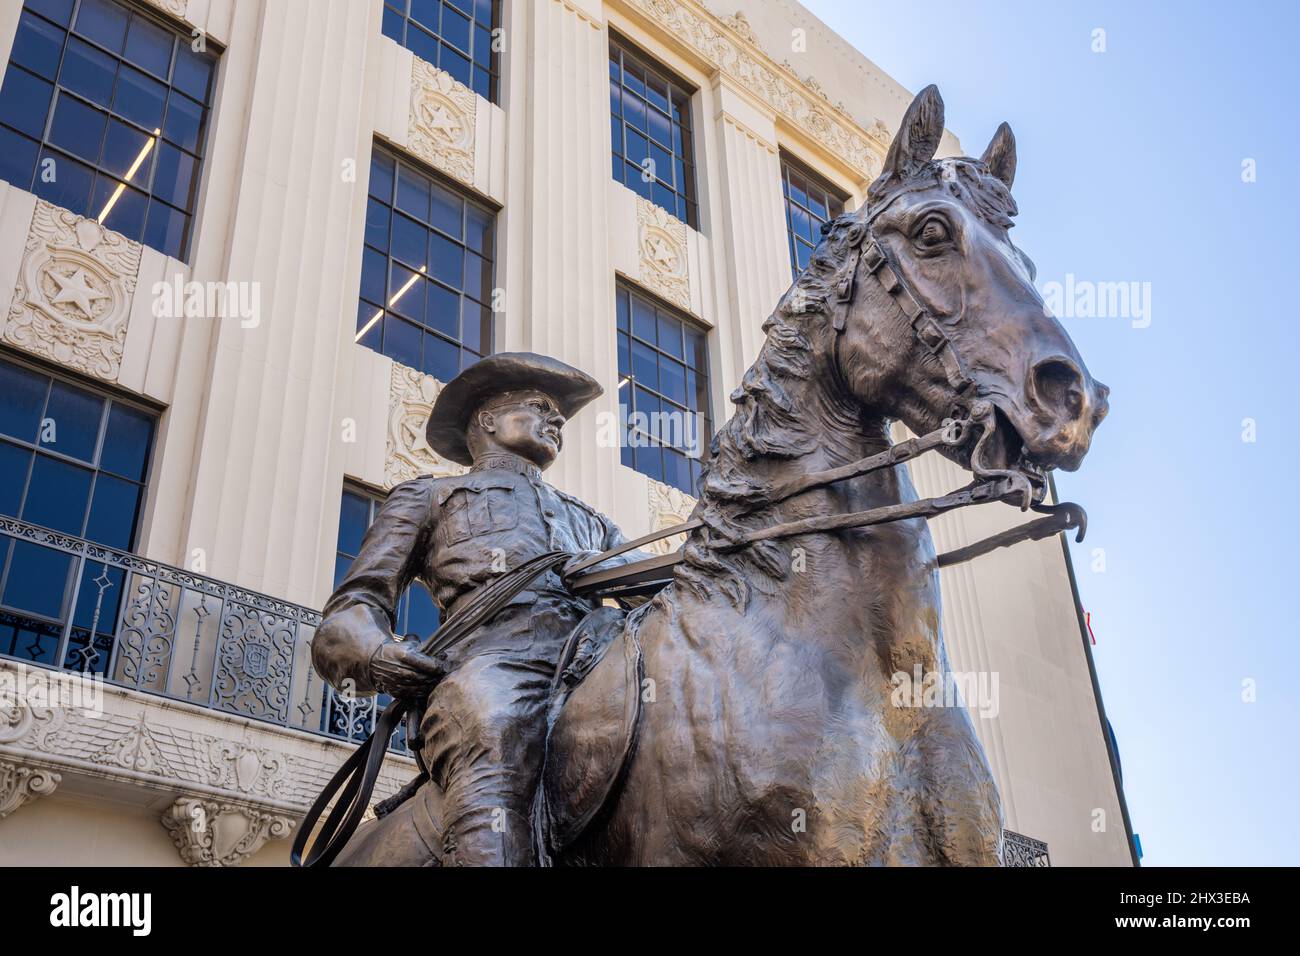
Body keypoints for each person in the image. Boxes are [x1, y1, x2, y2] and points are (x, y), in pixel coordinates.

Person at [312, 352, 647, 865]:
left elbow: (657, 589)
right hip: (490, 672)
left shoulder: (595, 523)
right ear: (488, 420)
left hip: (589, 665)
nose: (557, 420)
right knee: (497, 721)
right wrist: (377, 654)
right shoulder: (430, 497)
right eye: (541, 407)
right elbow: (352, 608)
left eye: (559, 415)